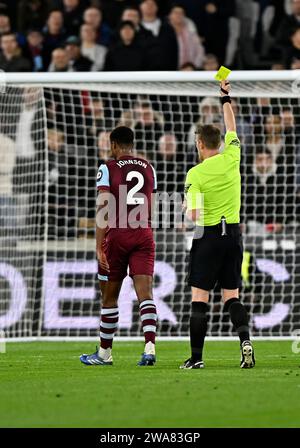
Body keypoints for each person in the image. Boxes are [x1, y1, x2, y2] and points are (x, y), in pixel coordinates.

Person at [181, 80, 255, 369]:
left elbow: (195, 215)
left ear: (200, 144)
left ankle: (196, 358)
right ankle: (245, 342)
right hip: (234, 236)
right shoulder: (232, 157)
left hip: (209, 236)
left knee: (200, 299)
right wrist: (225, 97)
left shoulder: (196, 174)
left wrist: (187, 205)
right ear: (220, 144)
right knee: (231, 297)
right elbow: (232, 126)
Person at [80, 126, 158, 366]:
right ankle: (150, 348)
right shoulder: (149, 167)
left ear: (113, 145)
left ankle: (104, 354)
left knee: (110, 297)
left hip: (118, 235)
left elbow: (104, 208)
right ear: (132, 145)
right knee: (145, 294)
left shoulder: (107, 168)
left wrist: (98, 246)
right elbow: (152, 207)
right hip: (144, 233)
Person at [168, 3, 205, 69]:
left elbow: (199, 50)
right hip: (172, 71)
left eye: (181, 13)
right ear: (170, 15)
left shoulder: (190, 29)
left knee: (223, 74)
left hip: (192, 69)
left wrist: (193, 67)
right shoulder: (165, 31)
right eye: (176, 13)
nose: (179, 15)